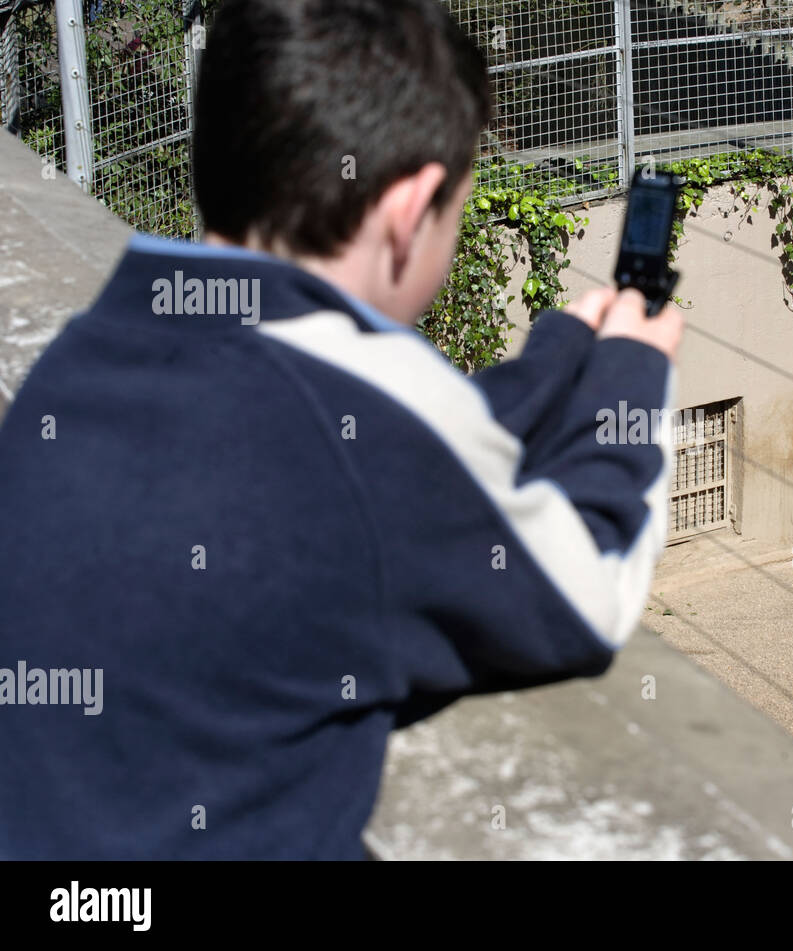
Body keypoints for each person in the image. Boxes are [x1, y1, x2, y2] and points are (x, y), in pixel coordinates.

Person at [0, 0, 683, 859]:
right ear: (410, 212)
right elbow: (590, 592)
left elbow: (401, 457)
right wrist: (634, 374)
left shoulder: (96, 347)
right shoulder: (364, 424)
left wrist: (562, 351)